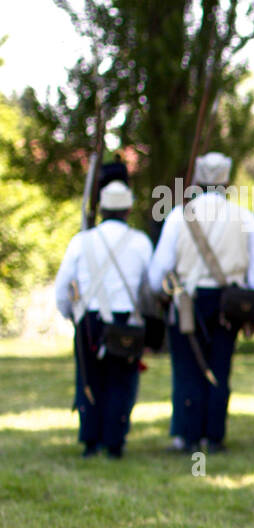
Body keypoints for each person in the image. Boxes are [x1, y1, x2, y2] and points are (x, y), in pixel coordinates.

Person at [148, 152, 254, 453]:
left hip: (188, 302)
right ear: (227, 181)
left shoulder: (177, 216)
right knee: (219, 369)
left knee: (188, 370)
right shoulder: (246, 217)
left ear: (198, 181)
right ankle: (213, 437)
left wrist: (162, 294)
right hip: (230, 304)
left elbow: (157, 272)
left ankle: (187, 436)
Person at [54, 180, 153, 458]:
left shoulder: (81, 241)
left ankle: (91, 441)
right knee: (122, 382)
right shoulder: (141, 242)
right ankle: (115, 441)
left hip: (89, 321)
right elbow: (150, 286)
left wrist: (70, 315)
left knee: (89, 379)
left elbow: (62, 287)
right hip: (127, 323)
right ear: (128, 209)